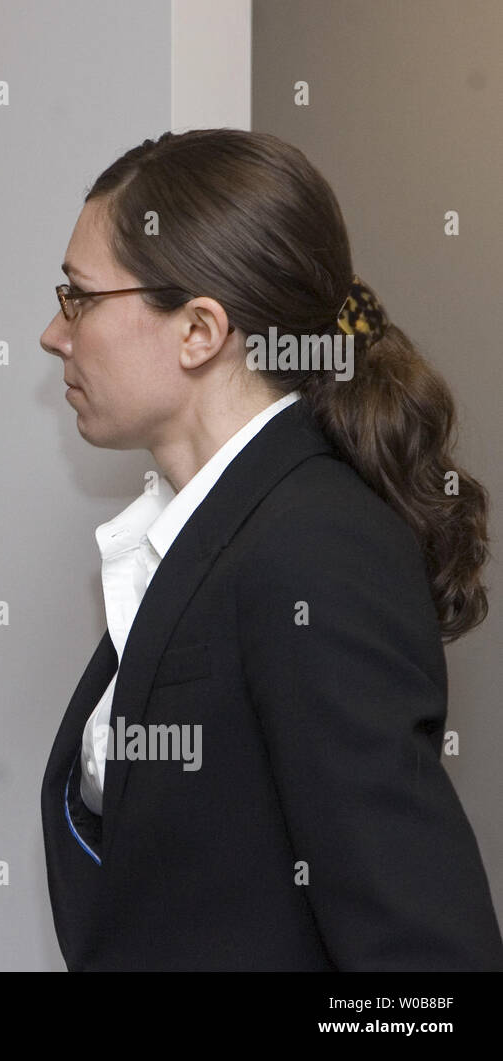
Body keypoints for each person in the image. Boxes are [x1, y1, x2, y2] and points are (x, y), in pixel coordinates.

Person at [38, 128, 503, 970]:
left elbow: (427, 969)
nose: (51, 332)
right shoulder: (207, 532)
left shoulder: (314, 548)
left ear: (198, 331)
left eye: (79, 298)